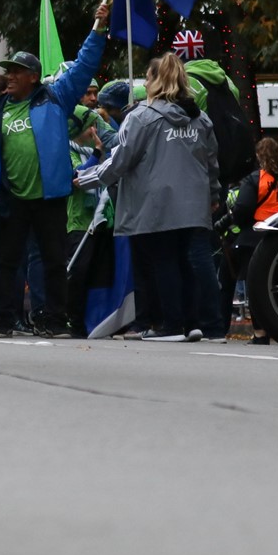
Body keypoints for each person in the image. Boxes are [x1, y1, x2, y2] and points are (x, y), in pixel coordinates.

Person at [0, 2, 110, 338]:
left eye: (17, 71)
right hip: (13, 198)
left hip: (50, 197)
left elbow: (83, 66)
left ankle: (55, 320)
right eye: (9, 71)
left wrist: (99, 29)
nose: (10, 76)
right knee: (7, 262)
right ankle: (2, 319)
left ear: (34, 77)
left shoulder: (55, 98)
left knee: (52, 262)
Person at [77, 52, 218, 342]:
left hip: (156, 203)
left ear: (153, 81)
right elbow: (211, 161)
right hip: (194, 202)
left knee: (163, 261)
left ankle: (169, 324)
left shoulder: (141, 117)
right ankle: (197, 323)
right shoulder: (200, 119)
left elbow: (121, 160)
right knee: (188, 262)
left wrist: (85, 179)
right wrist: (213, 193)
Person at [229, 137, 278, 349]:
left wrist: (242, 225)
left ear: (259, 157)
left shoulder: (256, 179)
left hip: (257, 238)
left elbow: (242, 209)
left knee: (257, 288)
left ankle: (260, 333)